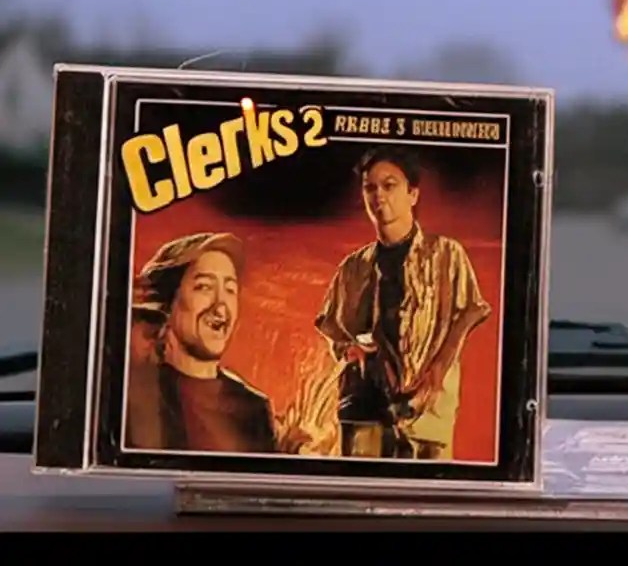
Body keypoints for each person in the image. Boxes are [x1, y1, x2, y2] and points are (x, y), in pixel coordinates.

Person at [314, 146, 492, 460]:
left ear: (413, 194)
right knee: (360, 483)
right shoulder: (353, 267)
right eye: (370, 188)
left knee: (428, 485)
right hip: (364, 408)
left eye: (389, 185)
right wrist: (352, 351)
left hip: (425, 412)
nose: (378, 196)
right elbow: (332, 327)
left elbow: (469, 312)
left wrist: (439, 368)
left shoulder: (446, 255)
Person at [125, 232, 276, 453]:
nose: (221, 307)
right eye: (204, 287)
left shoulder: (254, 409)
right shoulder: (139, 395)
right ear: (167, 301)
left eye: (230, 290)